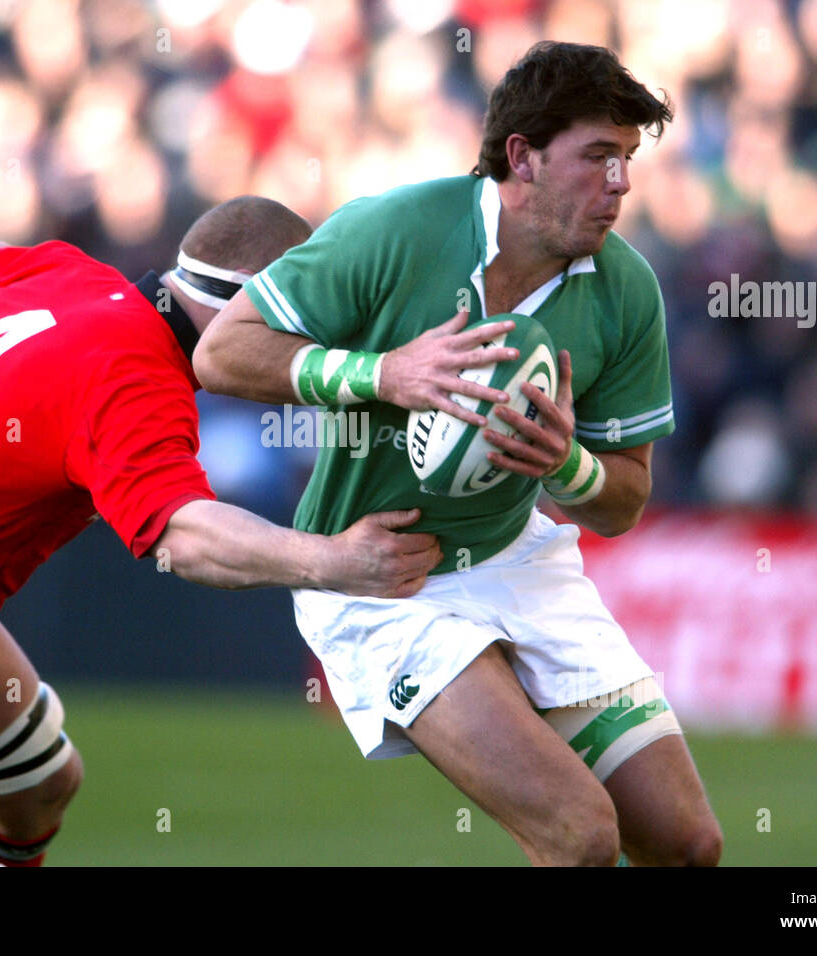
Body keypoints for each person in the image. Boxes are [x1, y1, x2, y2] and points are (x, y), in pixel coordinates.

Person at [0, 196, 442, 866]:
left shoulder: (67, 272)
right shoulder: (137, 379)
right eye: (298, 329)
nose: (296, 361)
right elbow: (185, 537)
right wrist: (333, 561)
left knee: (41, 783)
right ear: (251, 307)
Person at [194, 43, 723, 866]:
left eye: (626, 158)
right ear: (523, 156)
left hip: (522, 563)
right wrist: (384, 373)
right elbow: (222, 352)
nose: (619, 182)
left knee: (688, 844)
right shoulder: (395, 228)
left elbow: (622, 503)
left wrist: (565, 464)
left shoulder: (628, 291)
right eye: (596, 157)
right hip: (383, 581)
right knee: (580, 835)